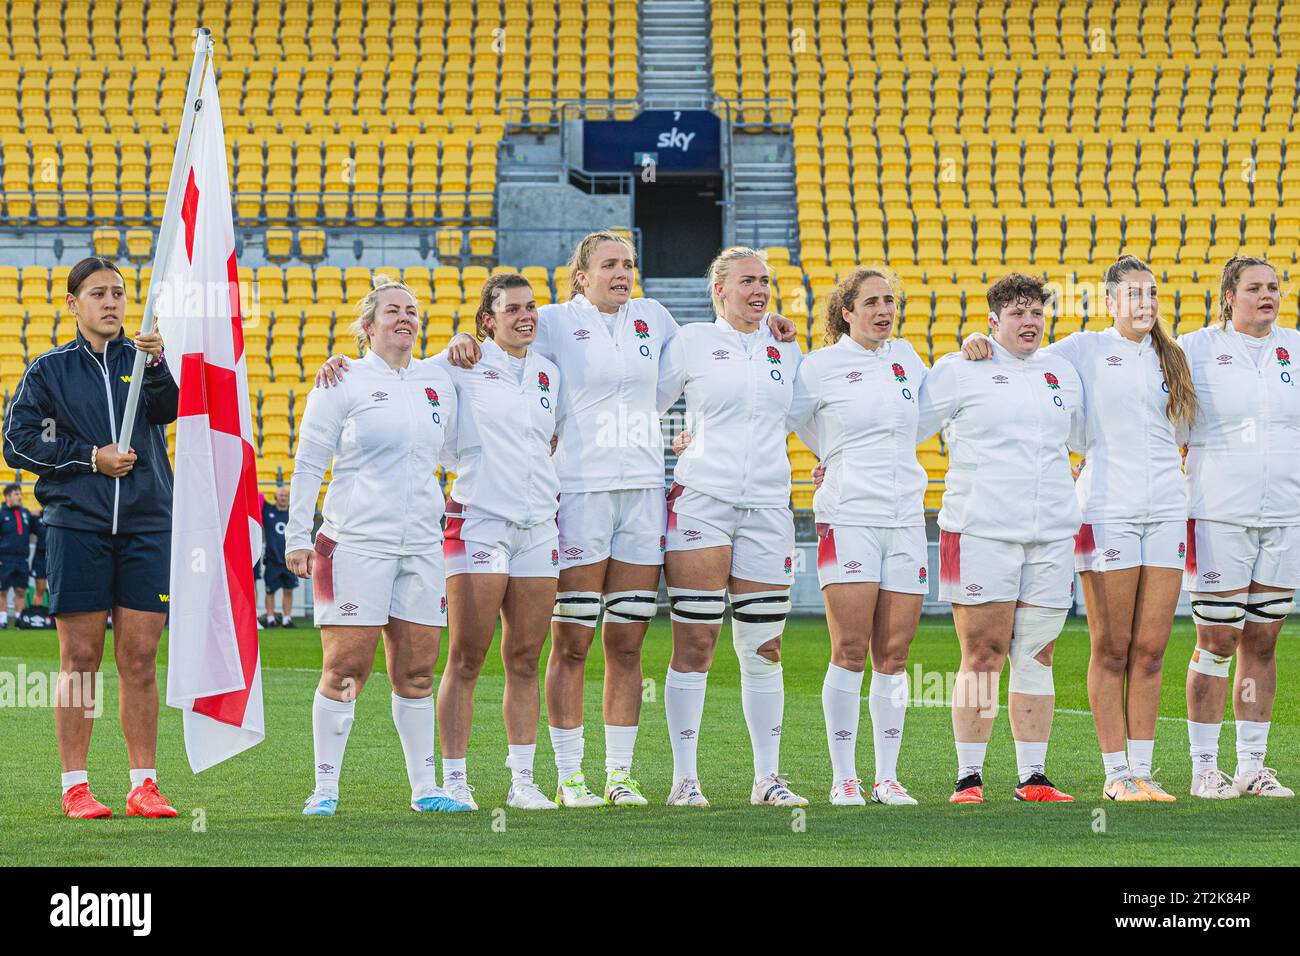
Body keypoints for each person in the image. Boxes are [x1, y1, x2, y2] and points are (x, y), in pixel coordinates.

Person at [429, 231, 798, 807]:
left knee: (627, 644)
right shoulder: (550, 320)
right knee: (572, 641)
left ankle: (620, 776)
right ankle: (569, 775)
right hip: (578, 495)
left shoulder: (654, 317)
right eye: (609, 265)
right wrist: (460, 338)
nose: (623, 273)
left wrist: (771, 324)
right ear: (582, 276)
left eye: (628, 264)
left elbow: (717, 350)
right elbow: (501, 340)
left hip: (644, 495)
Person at [317, 271, 567, 810]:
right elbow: (399, 384)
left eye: (531, 307)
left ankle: (523, 781)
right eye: (512, 309)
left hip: (538, 526)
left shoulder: (549, 373)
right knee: (465, 657)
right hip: (475, 520)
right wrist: (342, 361)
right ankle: (452, 781)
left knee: (525, 656)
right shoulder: (457, 366)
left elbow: (554, 438)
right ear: (487, 320)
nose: (526, 316)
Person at [960, 255, 1196, 802]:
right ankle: (1115, 774)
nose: (1145, 304)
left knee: (1153, 650)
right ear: (1110, 301)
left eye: (1152, 293)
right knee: (1112, 647)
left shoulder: (1174, 356)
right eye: (1133, 294)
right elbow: (1017, 356)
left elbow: (1186, 431)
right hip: (1104, 509)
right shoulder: (1080, 350)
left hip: (1165, 509)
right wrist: (976, 339)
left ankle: (1143, 771)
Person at [285, 276, 470, 816]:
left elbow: (457, 453)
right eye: (392, 311)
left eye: (412, 310)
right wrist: (298, 537)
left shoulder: (436, 380)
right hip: (355, 542)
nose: (404, 318)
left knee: (416, 670)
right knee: (346, 666)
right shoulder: (341, 379)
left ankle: (425, 788)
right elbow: (308, 463)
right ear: (368, 327)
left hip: (421, 545)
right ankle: (325, 788)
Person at [2, 255, 179, 819]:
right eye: (98, 293)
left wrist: (158, 365)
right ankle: (75, 786)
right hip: (76, 525)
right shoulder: (49, 370)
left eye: (119, 293)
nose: (111, 302)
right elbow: (17, 442)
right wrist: (88, 459)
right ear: (73, 303)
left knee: (141, 657)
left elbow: (169, 408)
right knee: (80, 656)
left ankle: (143, 784)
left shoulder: (144, 359)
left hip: (148, 523)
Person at [916, 272, 1084, 804]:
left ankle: (1034, 777)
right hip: (979, 530)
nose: (1029, 322)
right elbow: (904, 426)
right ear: (993, 321)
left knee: (1036, 652)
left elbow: (1085, 438)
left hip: (1053, 531)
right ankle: (969, 777)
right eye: (1017, 313)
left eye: (1036, 312)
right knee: (983, 653)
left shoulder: (1062, 373)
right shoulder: (960, 368)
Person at [655, 247, 807, 808]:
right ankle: (684, 780)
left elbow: (808, 418)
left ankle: (767, 779)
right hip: (702, 501)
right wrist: (674, 439)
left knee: (764, 645)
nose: (760, 290)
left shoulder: (787, 348)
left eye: (765, 281)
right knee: (695, 639)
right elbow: (643, 401)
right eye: (747, 281)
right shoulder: (691, 342)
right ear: (719, 290)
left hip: (769, 506)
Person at [785, 268, 930, 806]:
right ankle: (843, 776)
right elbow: (788, 418)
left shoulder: (908, 359)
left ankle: (886, 776)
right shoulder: (819, 366)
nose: (883, 310)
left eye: (890, 301)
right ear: (847, 312)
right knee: (849, 648)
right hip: (847, 517)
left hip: (906, 519)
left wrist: (973, 344)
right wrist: (831, 455)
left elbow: (937, 413)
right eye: (871, 301)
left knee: (893, 653)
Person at [1178, 255, 1297, 799]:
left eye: (1274, 287)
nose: (1267, 296)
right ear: (1229, 295)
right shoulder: (1193, 349)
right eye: (1254, 288)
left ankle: (1252, 764)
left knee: (1264, 640)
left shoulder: (1295, 348)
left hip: (1285, 515)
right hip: (1219, 513)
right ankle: (1205, 766)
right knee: (1217, 639)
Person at [260, 486, 296, 628]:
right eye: (281, 495)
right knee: (270, 591)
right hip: (272, 560)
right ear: (275, 496)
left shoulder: (293, 513)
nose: (283, 497)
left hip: (289, 558)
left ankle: (287, 619)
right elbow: (259, 496)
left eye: (286, 495)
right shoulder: (268, 511)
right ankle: (270, 619)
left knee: (288, 589)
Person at [0, 483, 35, 628]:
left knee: (21, 590)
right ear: (8, 497)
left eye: (20, 494)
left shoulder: (26, 513)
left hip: (22, 559)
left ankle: (20, 621)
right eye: (16, 494)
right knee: (3, 590)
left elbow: (35, 530)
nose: (20, 497)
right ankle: (2, 620)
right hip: (5, 559)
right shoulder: (1, 514)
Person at [31, 506, 48, 610]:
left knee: (62, 590)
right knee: (40, 589)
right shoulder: (36, 517)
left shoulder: (61, 515)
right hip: (40, 557)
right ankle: (38, 617)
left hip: (57, 557)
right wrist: (30, 515)